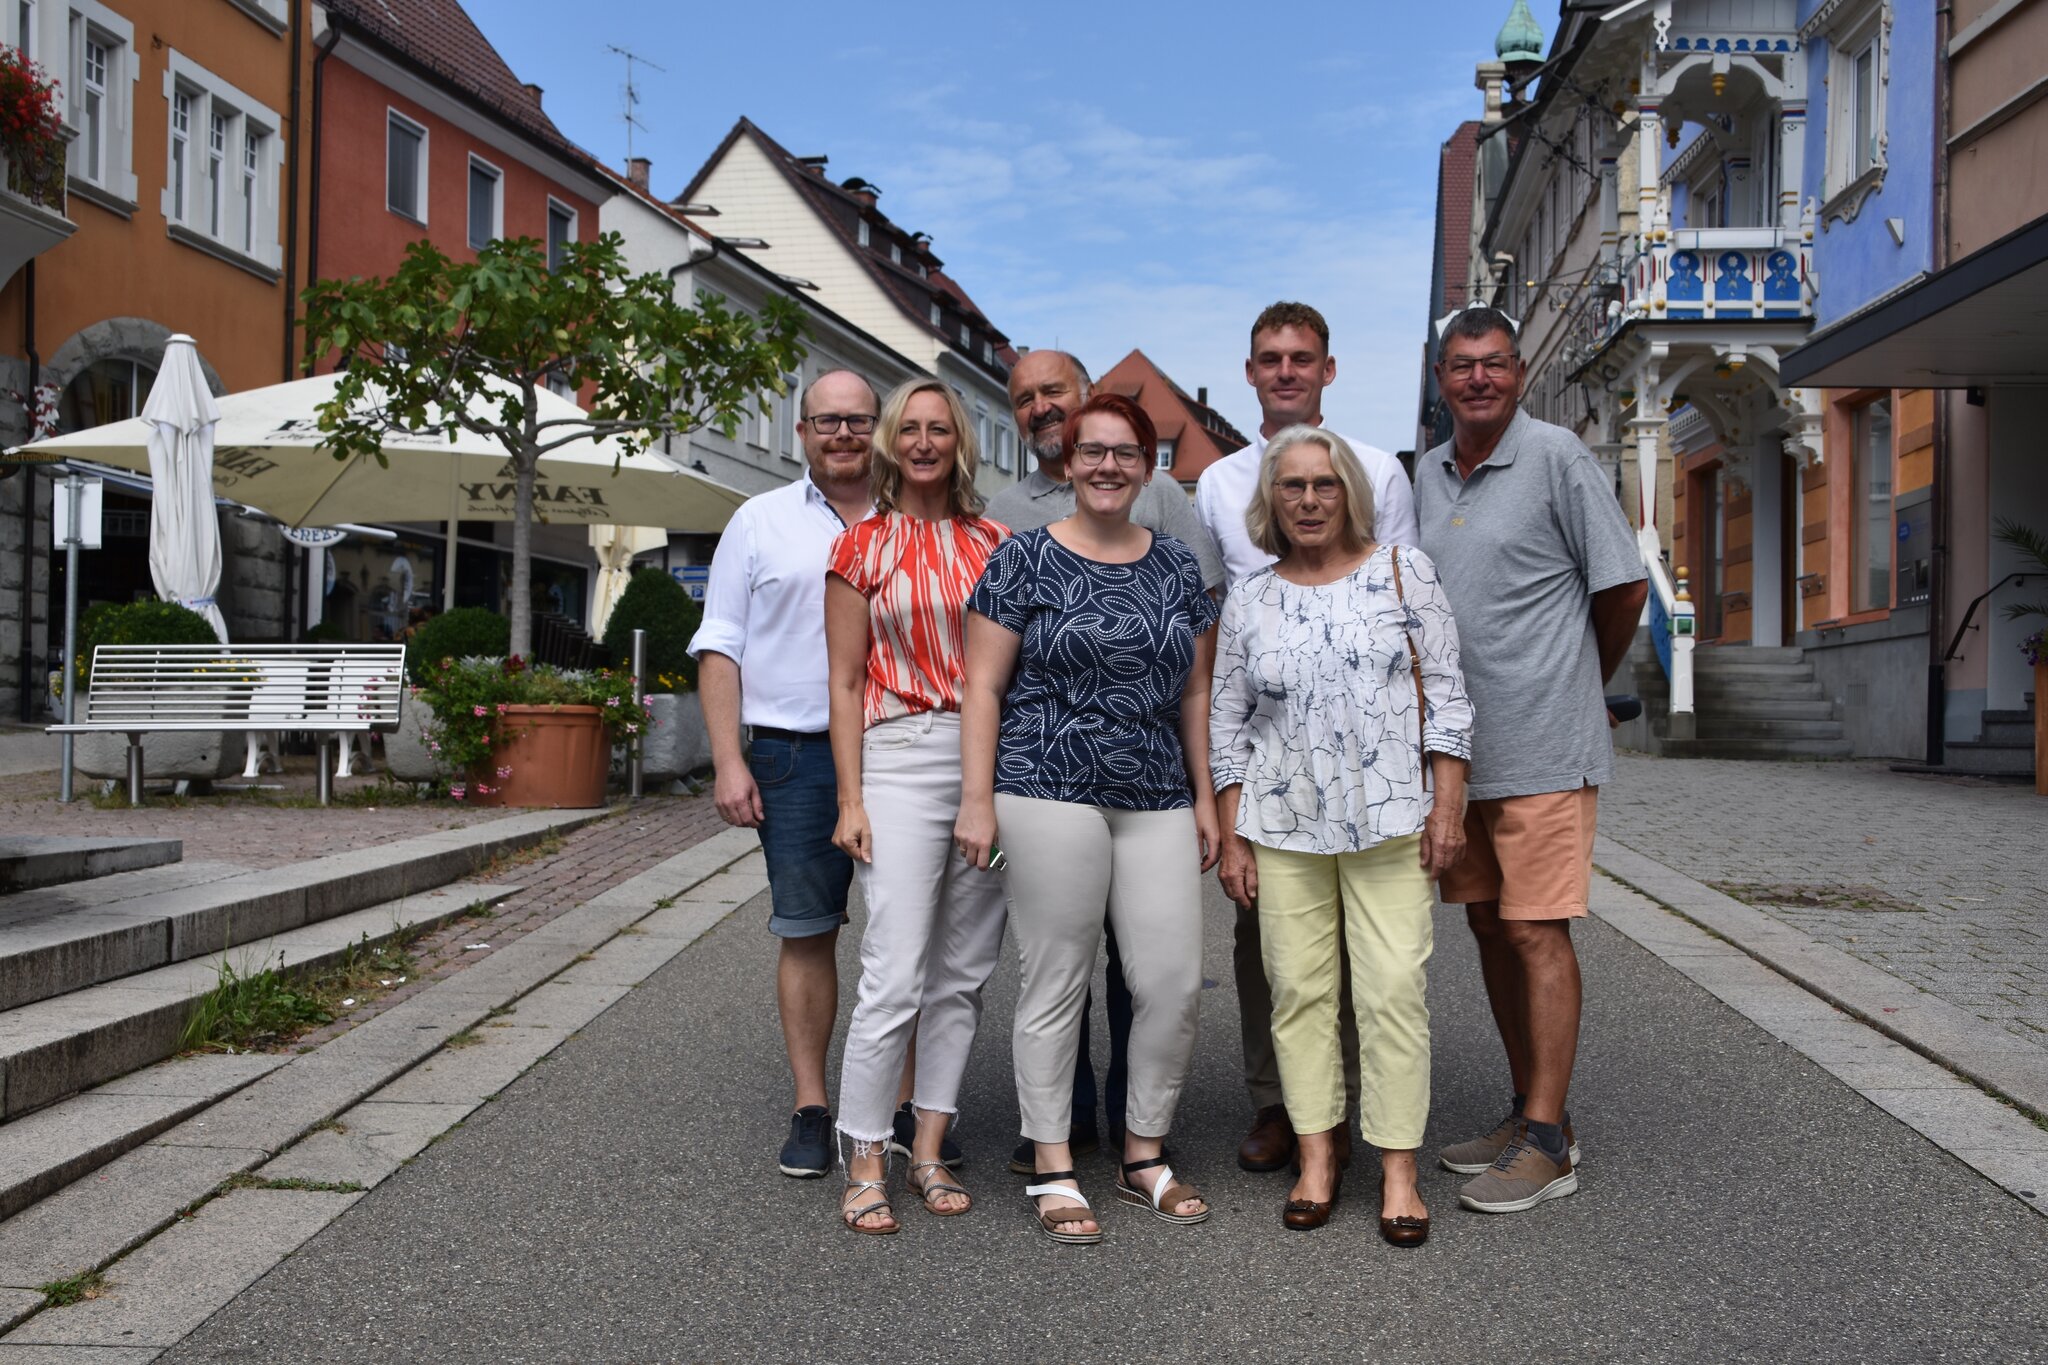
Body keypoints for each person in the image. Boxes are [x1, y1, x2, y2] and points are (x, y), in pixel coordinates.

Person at [958, 393, 1220, 1245]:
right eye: (1091, 451)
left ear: (1149, 466)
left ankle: (1143, 1152)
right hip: (1045, 782)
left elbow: (1197, 691)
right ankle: (1054, 1160)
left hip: (1155, 792)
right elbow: (983, 686)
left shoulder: (1179, 567)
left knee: (1172, 980)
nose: (1108, 465)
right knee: (1057, 975)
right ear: (1066, 464)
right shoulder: (1022, 558)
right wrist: (974, 799)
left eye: (1126, 452)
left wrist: (1208, 797)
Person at [1211, 427, 1473, 1242]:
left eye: (1325, 484)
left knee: (1393, 990)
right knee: (1298, 994)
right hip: (1282, 823)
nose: (1310, 499)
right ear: (1270, 500)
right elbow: (1226, 720)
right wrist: (1231, 833)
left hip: (1392, 818)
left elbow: (1450, 700)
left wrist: (1450, 806)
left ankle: (1398, 1168)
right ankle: (1318, 1157)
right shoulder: (1250, 598)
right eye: (1292, 486)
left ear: (1351, 493)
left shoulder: (1405, 572)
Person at [1415, 306, 1648, 1215]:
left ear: (1518, 372)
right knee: (1485, 925)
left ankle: (1551, 1139)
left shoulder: (1558, 457)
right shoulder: (1428, 473)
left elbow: (1622, 585)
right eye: (1462, 366)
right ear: (1442, 379)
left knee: (1536, 929)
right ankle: (1524, 1109)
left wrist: (1582, 678)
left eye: (1495, 364)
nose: (1479, 378)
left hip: (1545, 741)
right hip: (1458, 752)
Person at [1193, 300, 1420, 1174]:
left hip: (1368, 755)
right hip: (1274, 751)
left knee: (1374, 949)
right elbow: (1218, 642)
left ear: (1329, 370)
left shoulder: (1376, 471)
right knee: (1272, 949)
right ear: (1250, 372)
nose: (1285, 370)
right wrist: (1225, 793)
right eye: (1269, 358)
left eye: (1302, 357)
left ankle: (1359, 1102)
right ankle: (1281, 1103)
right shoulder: (1218, 482)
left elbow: (1403, 613)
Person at [690, 368, 890, 1181]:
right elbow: (720, 644)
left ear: (877, 428)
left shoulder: (911, 516)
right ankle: (814, 1104)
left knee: (907, 935)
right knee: (808, 929)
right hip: (793, 752)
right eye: (827, 422)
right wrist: (728, 758)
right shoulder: (758, 520)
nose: (843, 435)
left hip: (898, 746)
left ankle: (897, 1108)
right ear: (800, 432)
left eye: (858, 421)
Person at [824, 378, 1011, 1234]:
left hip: (992, 766)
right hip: (897, 756)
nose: (926, 442)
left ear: (959, 441)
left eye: (942, 428)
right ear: (892, 440)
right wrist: (850, 797)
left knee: (963, 973)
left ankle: (928, 1145)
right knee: (894, 968)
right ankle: (864, 1150)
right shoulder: (862, 544)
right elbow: (845, 678)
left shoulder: (998, 544)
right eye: (913, 428)